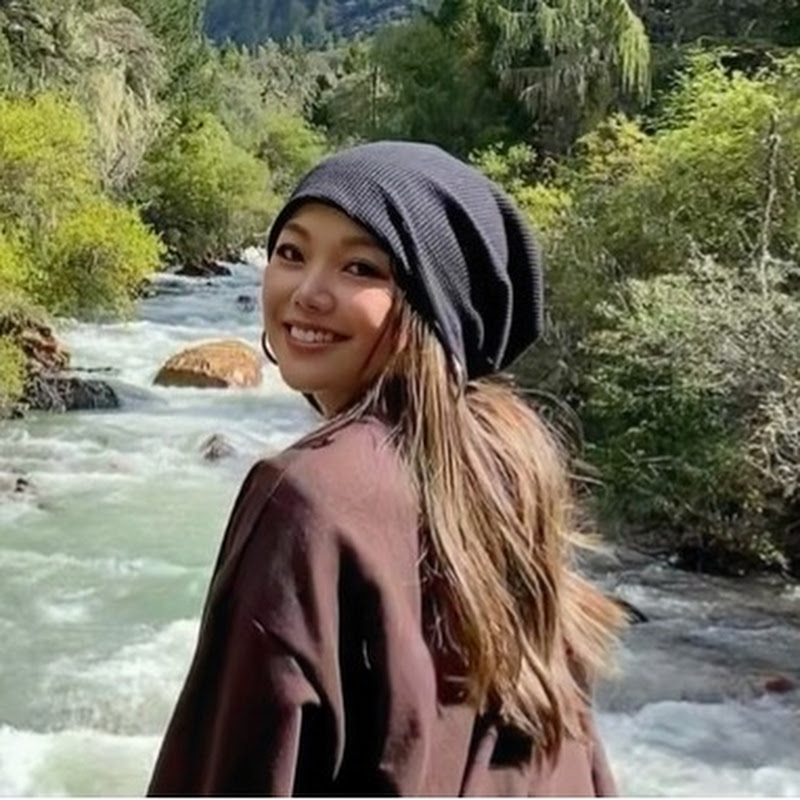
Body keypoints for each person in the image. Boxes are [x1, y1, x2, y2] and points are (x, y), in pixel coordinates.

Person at [147, 141, 625, 796]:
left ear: (434, 303)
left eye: (361, 268)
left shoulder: (309, 498)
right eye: (291, 253)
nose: (308, 292)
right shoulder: (512, 470)